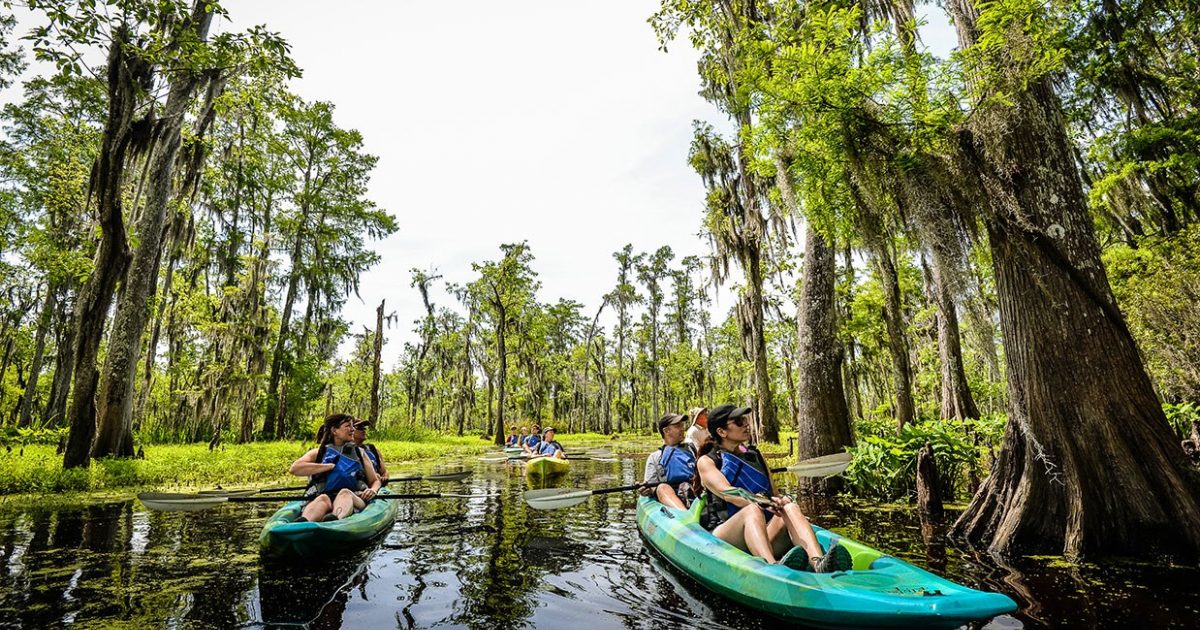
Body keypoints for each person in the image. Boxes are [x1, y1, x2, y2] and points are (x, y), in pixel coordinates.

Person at [697, 404, 850, 573]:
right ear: (722, 432)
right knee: (752, 510)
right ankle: (772, 568)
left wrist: (779, 500)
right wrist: (761, 502)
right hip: (726, 535)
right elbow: (728, 493)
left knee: (789, 506)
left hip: (759, 533)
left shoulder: (755, 456)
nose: (746, 424)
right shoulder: (707, 461)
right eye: (739, 422)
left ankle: (817, 562)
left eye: (745, 420)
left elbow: (774, 493)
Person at [289, 413, 382, 522]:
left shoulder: (359, 453)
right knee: (322, 498)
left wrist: (373, 490)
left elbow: (375, 481)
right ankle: (304, 524)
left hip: (354, 496)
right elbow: (295, 469)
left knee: (344, 493)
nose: (352, 429)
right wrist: (328, 467)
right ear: (334, 431)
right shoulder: (319, 453)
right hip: (325, 495)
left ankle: (335, 520)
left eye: (352, 426)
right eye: (348, 426)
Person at [642, 412, 697, 509]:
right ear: (666, 431)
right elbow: (652, 486)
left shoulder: (693, 449)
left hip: (694, 488)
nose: (682, 429)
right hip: (671, 493)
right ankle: (685, 515)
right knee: (662, 488)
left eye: (682, 425)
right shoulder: (655, 457)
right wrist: (647, 490)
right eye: (677, 426)